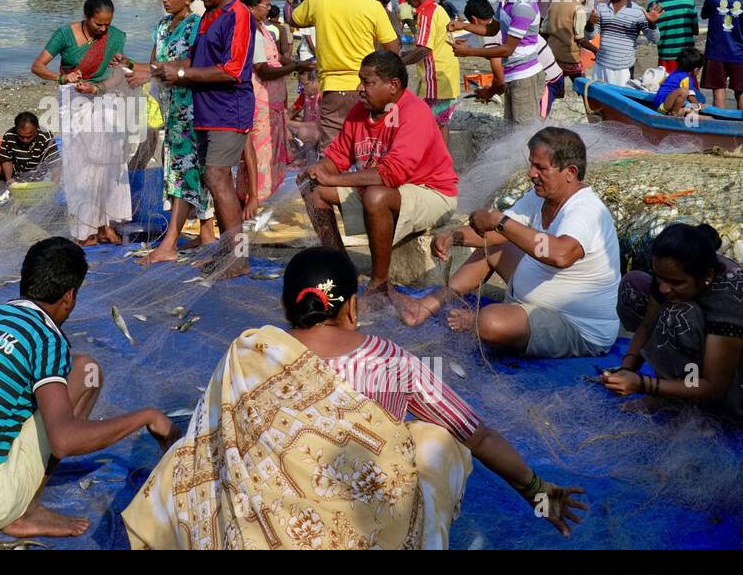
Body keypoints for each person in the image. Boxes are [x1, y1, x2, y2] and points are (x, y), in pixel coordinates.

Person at [121, 247, 588, 549]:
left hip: (260, 530)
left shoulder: (251, 352)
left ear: (286, 307)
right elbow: (476, 433)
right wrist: (537, 493)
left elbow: (215, 433)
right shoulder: (390, 358)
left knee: (189, 457)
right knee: (437, 441)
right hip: (364, 530)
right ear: (353, 306)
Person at [0, 237, 179, 539]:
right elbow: (64, 441)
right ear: (69, 297)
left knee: (22, 393)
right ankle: (27, 512)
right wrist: (147, 416)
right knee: (85, 370)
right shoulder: (46, 338)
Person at [402, 127, 620, 358]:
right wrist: (454, 235)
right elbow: (498, 234)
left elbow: (561, 254)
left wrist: (499, 220)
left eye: (541, 168)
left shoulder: (585, 210)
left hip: (574, 325)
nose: (531, 174)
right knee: (493, 246)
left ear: (570, 172)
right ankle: (428, 304)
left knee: (490, 322)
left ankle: (479, 321)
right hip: (529, 298)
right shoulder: (541, 196)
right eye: (531, 165)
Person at [300, 51, 458, 295]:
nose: (360, 88)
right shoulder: (359, 112)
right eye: (360, 80)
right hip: (386, 190)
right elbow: (338, 157)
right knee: (311, 187)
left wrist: (333, 178)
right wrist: (319, 171)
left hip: (432, 193)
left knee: (376, 195)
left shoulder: (413, 111)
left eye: (368, 82)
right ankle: (340, 266)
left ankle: (379, 283)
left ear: (393, 85)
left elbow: (393, 173)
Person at [150, 0, 255, 276]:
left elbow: (232, 70)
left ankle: (238, 257)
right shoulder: (209, 14)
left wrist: (181, 76)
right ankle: (229, 253)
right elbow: (194, 63)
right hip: (205, 111)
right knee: (214, 179)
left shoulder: (238, 14)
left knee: (217, 177)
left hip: (228, 109)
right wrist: (162, 70)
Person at [604, 223, 743, 419]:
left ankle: (685, 402)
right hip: (698, 362)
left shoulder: (728, 299)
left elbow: (714, 385)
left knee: (678, 315)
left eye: (676, 283)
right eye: (660, 278)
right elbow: (647, 324)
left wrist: (645, 385)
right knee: (633, 287)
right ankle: (675, 386)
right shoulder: (670, 272)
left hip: (731, 386)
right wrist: (626, 369)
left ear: (707, 277)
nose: (664, 289)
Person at [31, 0, 133, 247]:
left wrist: (100, 85)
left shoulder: (116, 36)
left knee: (110, 162)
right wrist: (62, 78)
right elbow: (38, 66)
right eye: (99, 24)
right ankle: (84, 230)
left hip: (104, 96)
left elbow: (119, 70)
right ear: (87, 18)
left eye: (108, 24)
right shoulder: (65, 35)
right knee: (82, 164)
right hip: (74, 101)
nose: (104, 29)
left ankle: (107, 226)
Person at [134, 0, 215, 262]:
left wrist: (160, 71)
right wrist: (136, 68)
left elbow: (194, 63)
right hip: (169, 107)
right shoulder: (163, 26)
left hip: (190, 106)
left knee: (185, 170)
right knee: (186, 167)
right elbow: (156, 62)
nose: (165, 0)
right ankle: (206, 234)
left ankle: (169, 244)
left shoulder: (197, 26)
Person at [289, 0, 400, 152]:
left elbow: (293, 18)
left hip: (332, 89)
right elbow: (392, 48)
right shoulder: (372, 7)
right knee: (368, 149)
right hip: (367, 88)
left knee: (331, 152)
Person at [453, 0, 547, 124]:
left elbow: (507, 49)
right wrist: (463, 25)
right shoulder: (506, 0)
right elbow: (490, 29)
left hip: (524, 77)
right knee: (511, 130)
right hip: (512, 74)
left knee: (522, 133)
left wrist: (469, 51)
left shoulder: (522, 5)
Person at [239, 0, 302, 216]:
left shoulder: (263, 27)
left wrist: (296, 64)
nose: (268, 8)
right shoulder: (251, 31)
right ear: (252, 6)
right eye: (265, 5)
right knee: (259, 152)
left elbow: (277, 57)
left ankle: (260, 199)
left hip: (272, 103)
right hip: (260, 101)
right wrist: (294, 67)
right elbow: (263, 69)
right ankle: (253, 201)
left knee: (270, 152)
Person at [400, 0, 460, 143]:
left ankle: (438, 164)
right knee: (440, 123)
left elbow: (424, 50)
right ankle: (442, 164)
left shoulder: (427, 13)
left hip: (437, 76)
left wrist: (399, 63)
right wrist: (405, 55)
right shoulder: (438, 9)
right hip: (445, 74)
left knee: (432, 124)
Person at [589, 0, 660, 86]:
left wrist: (652, 24)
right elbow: (590, 36)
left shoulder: (638, 11)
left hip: (623, 69)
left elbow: (654, 39)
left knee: (619, 102)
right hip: (600, 65)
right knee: (598, 102)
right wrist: (589, 24)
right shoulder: (601, 8)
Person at [0, 111, 59, 194]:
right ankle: (6, 189)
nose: (25, 140)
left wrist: (54, 186)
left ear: (36, 129)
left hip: (36, 183)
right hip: (16, 180)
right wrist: (9, 181)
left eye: (29, 137)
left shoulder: (45, 137)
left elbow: (54, 163)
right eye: (21, 136)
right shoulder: (10, 135)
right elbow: (6, 159)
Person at [701, 0, 743, 110]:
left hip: (716, 52)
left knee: (719, 90)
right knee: (741, 92)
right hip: (740, 53)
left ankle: (719, 125)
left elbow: (704, 15)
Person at [642, 0, 697, 73]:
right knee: (689, 86)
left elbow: (654, 36)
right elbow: (695, 30)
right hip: (689, 55)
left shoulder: (653, 4)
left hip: (667, 55)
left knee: (669, 86)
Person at [544, 0, 591, 80]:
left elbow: (544, 29)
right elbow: (581, 39)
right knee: (583, 88)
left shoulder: (555, 3)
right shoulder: (579, 9)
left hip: (553, 55)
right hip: (570, 58)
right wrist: (596, 51)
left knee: (555, 87)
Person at [652, 46, 706, 117]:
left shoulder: (674, 73)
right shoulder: (686, 78)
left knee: (688, 97)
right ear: (696, 70)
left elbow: (662, 83)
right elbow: (691, 97)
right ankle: (675, 112)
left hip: (659, 102)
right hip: (664, 104)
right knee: (684, 91)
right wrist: (698, 107)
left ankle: (677, 111)